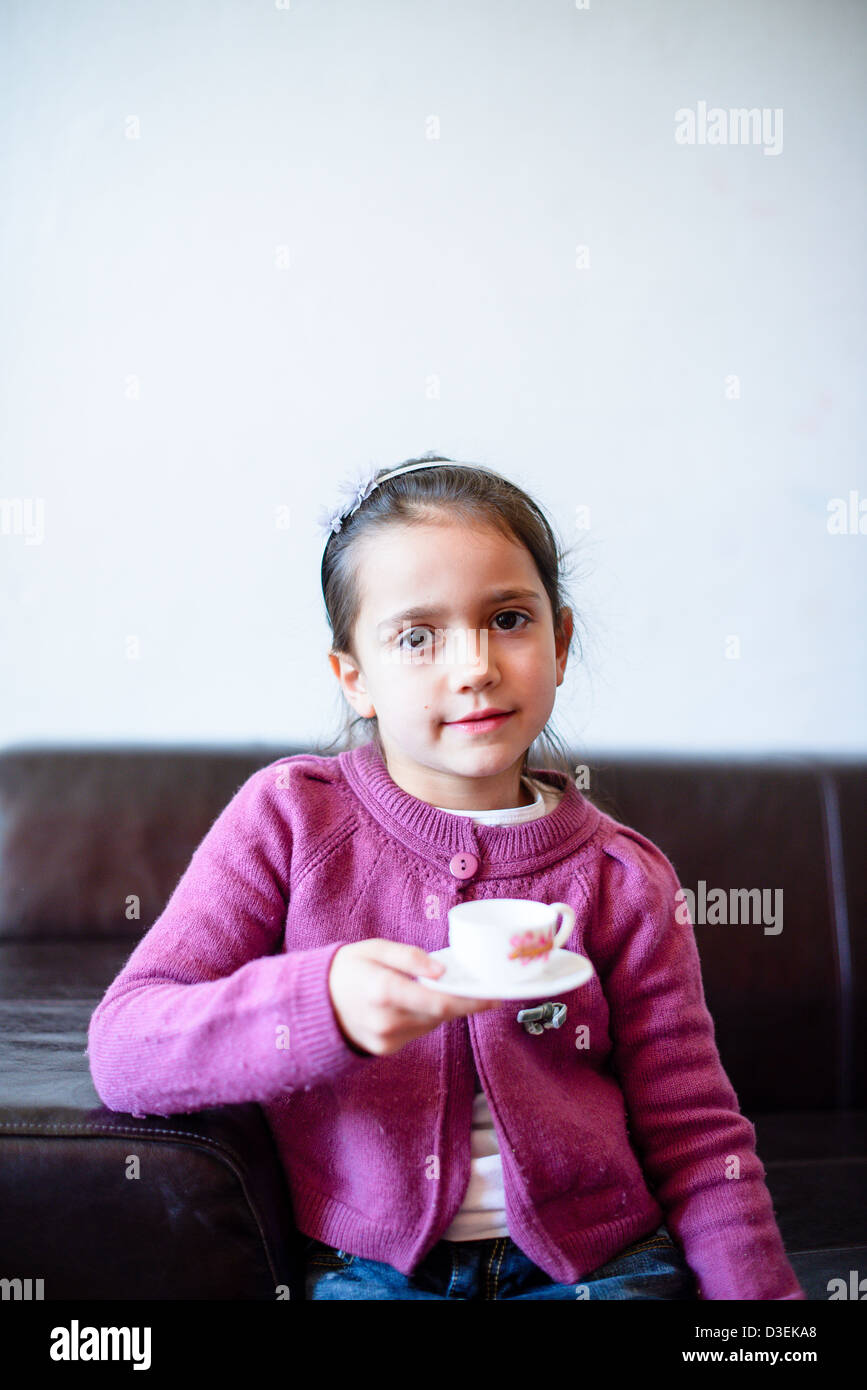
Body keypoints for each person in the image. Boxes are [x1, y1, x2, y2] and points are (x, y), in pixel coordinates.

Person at [87, 454, 806, 1301]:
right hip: (372, 1270)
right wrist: (320, 1008)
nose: (472, 666)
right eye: (416, 636)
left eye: (507, 618)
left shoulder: (621, 875)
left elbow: (693, 1129)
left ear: (560, 642)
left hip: (600, 1264)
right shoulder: (291, 818)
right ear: (353, 677)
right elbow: (126, 1049)